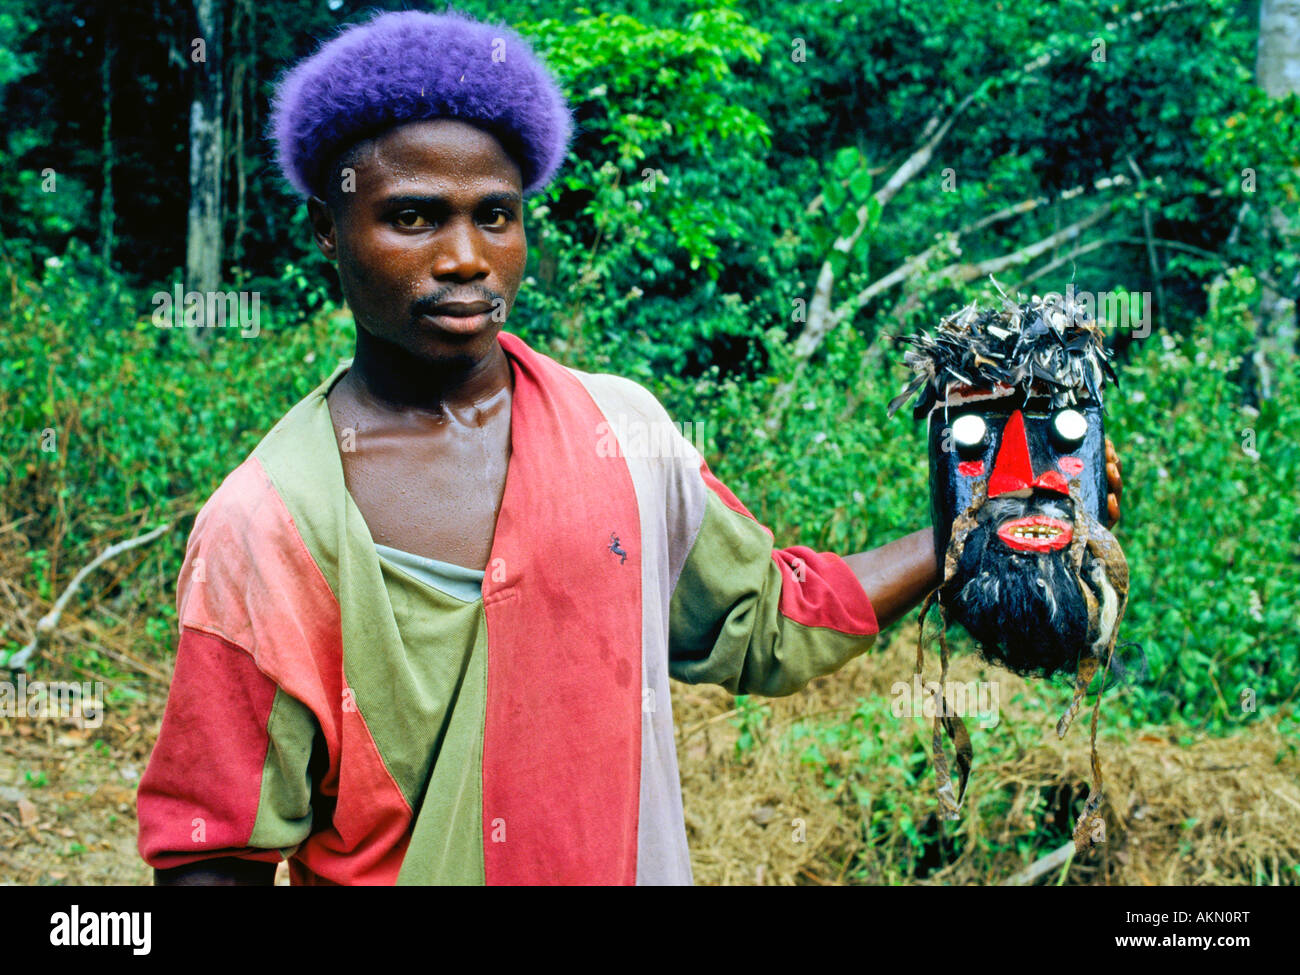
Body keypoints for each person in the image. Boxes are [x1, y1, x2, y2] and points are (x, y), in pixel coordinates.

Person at [137, 9, 1121, 885]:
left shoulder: (626, 433)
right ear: (326, 230)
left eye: (495, 215)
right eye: (412, 217)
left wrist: (970, 528)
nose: (466, 257)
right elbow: (213, 849)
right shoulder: (267, 526)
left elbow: (769, 618)